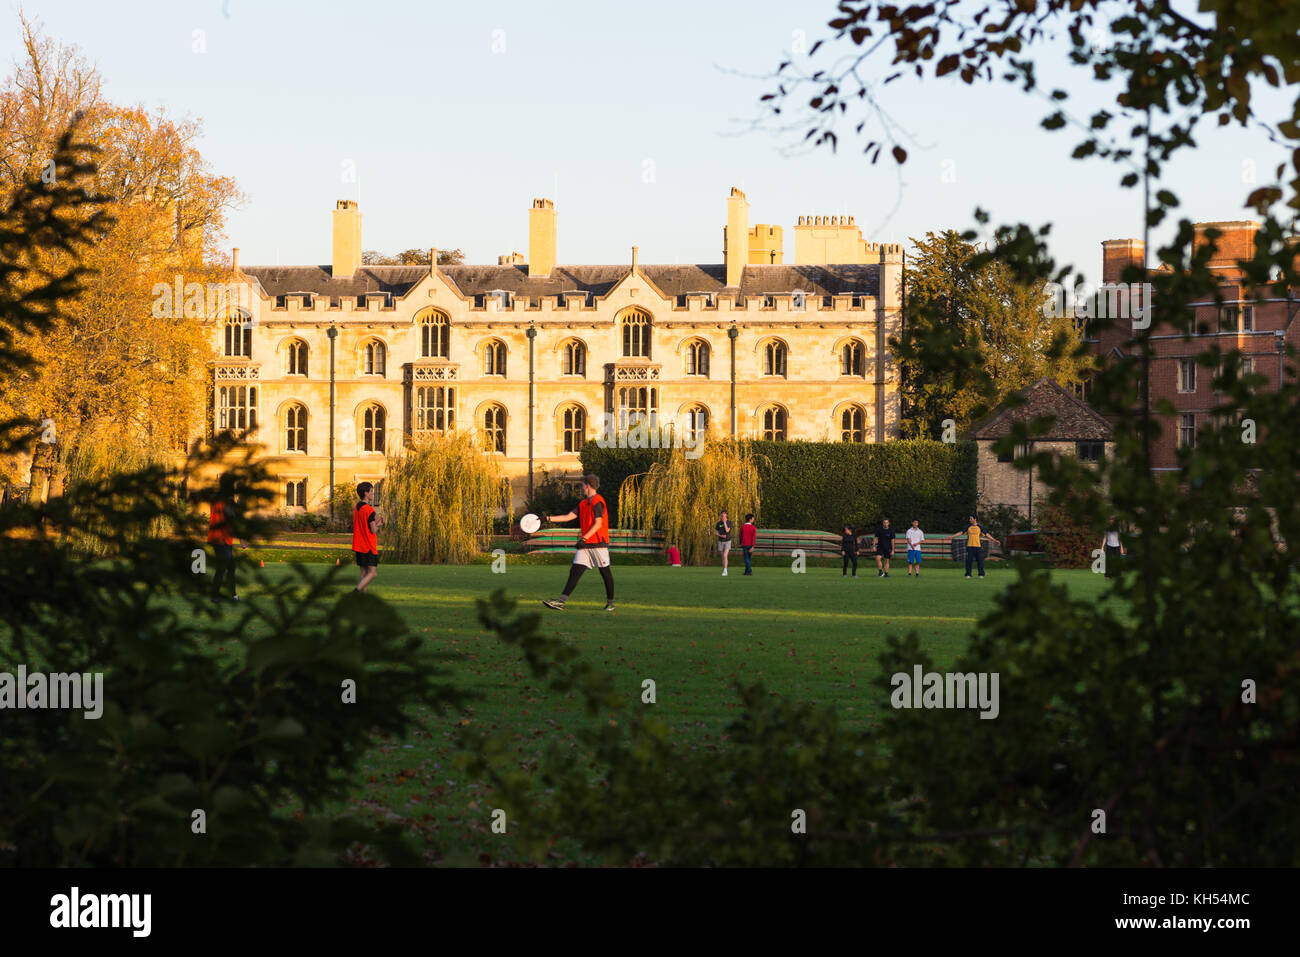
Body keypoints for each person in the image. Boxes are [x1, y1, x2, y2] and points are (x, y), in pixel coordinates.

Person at [543, 473, 615, 611]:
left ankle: (610, 603)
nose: (581, 487)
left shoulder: (597, 501)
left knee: (605, 573)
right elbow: (568, 517)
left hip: (598, 544)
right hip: (585, 545)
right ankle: (561, 602)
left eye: (582, 485)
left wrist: (584, 538)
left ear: (587, 485)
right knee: (575, 572)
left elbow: (598, 524)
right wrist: (547, 518)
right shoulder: (583, 503)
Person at [208, 474, 240, 602]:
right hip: (222, 539)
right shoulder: (226, 500)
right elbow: (230, 517)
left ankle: (230, 595)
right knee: (224, 568)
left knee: (228, 568)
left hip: (219, 538)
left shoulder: (217, 498)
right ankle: (219, 596)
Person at [352, 481, 383, 591]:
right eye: (371, 491)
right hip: (368, 545)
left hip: (358, 544)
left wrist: (375, 523)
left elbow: (364, 524)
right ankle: (355, 592)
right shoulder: (370, 510)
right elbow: (373, 530)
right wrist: (379, 525)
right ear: (366, 493)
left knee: (364, 573)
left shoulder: (357, 507)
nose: (372, 494)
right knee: (372, 573)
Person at [956, 514, 999, 579]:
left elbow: (987, 534)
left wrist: (995, 540)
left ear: (975, 519)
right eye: (970, 518)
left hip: (978, 547)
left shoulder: (980, 527)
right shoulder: (968, 526)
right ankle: (968, 574)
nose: (969, 520)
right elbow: (960, 532)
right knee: (968, 561)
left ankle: (981, 574)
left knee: (980, 561)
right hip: (969, 546)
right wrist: (951, 537)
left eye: (971, 518)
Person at [715, 510, 732, 576]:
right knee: (723, 557)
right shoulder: (718, 523)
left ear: (726, 515)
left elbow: (727, 530)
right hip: (720, 541)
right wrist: (720, 535)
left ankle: (725, 570)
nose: (723, 516)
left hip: (727, 541)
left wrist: (724, 523)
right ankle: (724, 569)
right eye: (722, 515)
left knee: (725, 555)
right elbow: (716, 532)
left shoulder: (729, 522)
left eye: (724, 515)